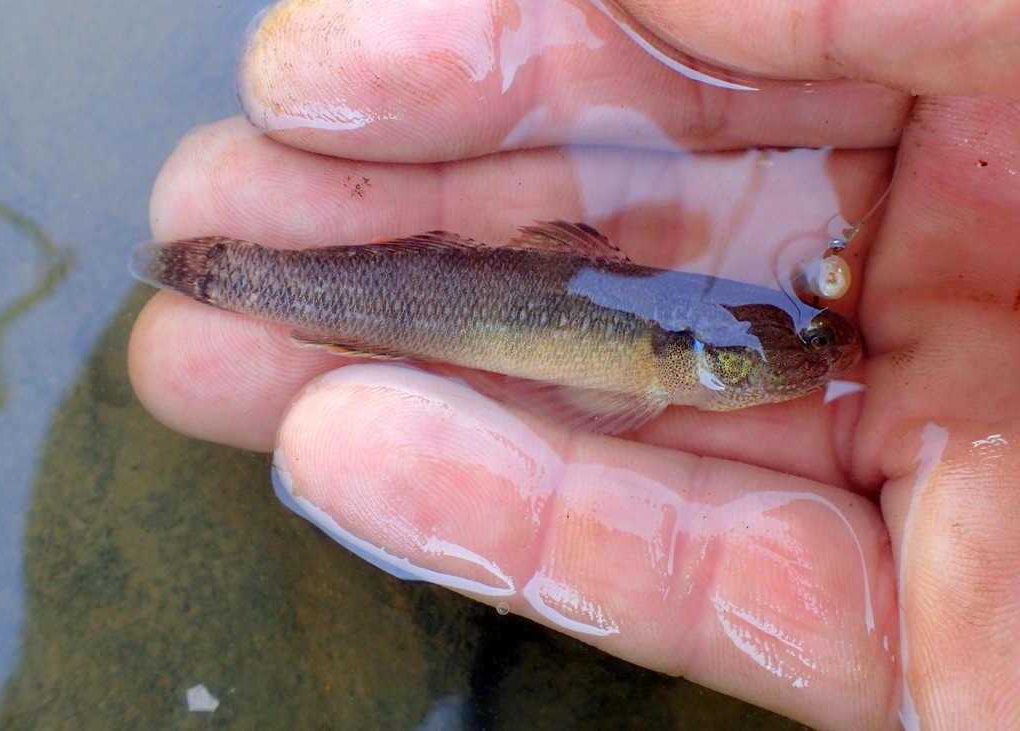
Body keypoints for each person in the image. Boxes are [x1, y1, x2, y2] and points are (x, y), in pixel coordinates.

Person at [128, 0, 1020, 727]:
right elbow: (604, 400)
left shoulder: (685, 340)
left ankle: (216, 270)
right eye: (790, 354)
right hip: (440, 291)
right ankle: (219, 270)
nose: (808, 358)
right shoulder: (663, 354)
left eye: (803, 349)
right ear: (684, 349)